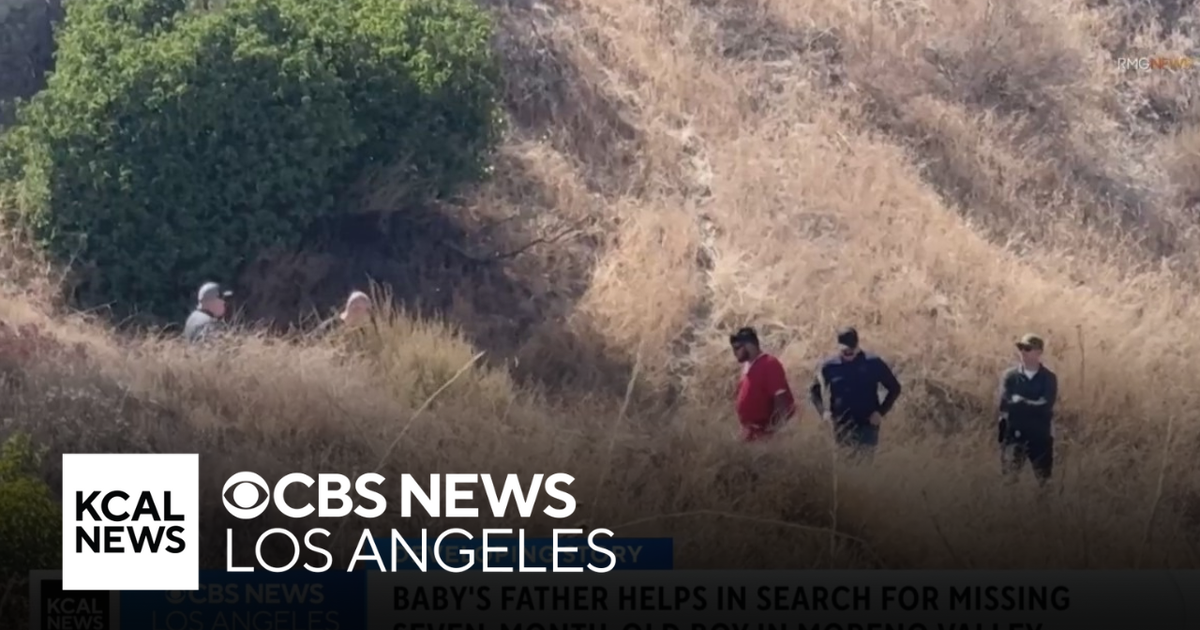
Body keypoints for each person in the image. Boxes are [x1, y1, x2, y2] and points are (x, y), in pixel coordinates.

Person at [809, 326, 902, 459]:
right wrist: (824, 412)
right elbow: (814, 390)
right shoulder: (829, 366)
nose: (848, 354)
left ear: (857, 345)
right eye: (845, 351)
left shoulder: (873, 363)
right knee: (844, 467)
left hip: (867, 425)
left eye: (851, 350)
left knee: (865, 468)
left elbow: (895, 388)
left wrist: (880, 412)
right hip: (841, 426)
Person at [998, 333, 1058, 487]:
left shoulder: (1049, 378)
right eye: (1021, 348)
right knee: (1009, 481)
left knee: (1044, 482)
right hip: (1014, 435)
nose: (1023, 352)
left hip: (1040, 436)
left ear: (1039, 352)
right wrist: (1033, 405)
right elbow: (1005, 404)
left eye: (1027, 348)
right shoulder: (1010, 376)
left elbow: (1046, 405)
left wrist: (1022, 402)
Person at [730, 327, 797, 442]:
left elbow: (781, 401)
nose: (734, 353)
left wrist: (775, 432)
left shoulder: (769, 364)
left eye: (737, 348)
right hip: (750, 435)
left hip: (765, 436)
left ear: (750, 346)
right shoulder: (747, 367)